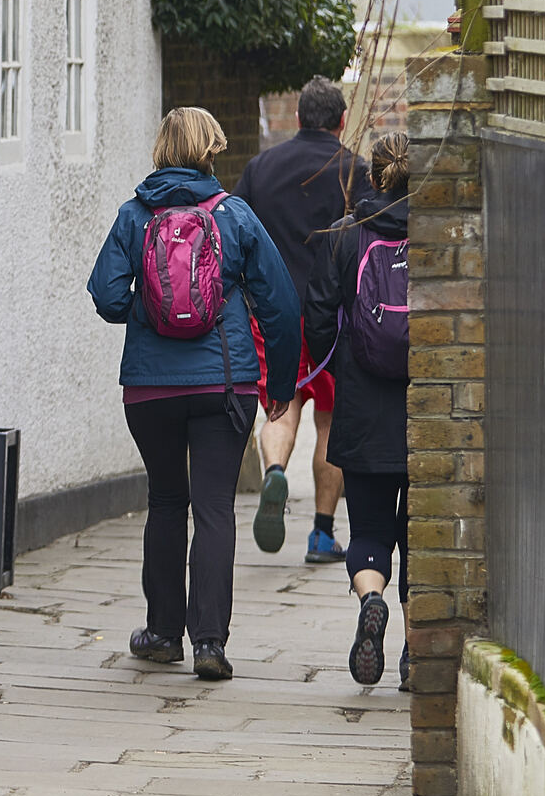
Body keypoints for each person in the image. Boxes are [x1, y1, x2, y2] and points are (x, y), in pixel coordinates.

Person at [88, 105, 300, 682]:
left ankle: (162, 634)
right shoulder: (234, 215)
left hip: (150, 387)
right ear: (210, 150)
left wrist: (151, 305)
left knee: (164, 500)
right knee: (213, 507)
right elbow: (281, 306)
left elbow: (107, 296)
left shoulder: (135, 215)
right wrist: (280, 385)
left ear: (162, 148)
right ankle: (209, 643)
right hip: (223, 383)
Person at [234, 75, 373, 562]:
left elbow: (236, 233)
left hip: (274, 313)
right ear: (342, 121)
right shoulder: (354, 171)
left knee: (281, 406)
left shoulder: (260, 168)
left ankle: (275, 470)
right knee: (331, 421)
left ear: (297, 118)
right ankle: (321, 533)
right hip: (333, 317)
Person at [320, 130, 412, 686]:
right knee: (422, 536)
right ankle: (415, 654)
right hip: (427, 412)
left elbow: (317, 316)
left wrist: (340, 369)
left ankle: (371, 598)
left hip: (362, 408)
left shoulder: (345, 235)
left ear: (372, 176)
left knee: (370, 531)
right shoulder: (441, 234)